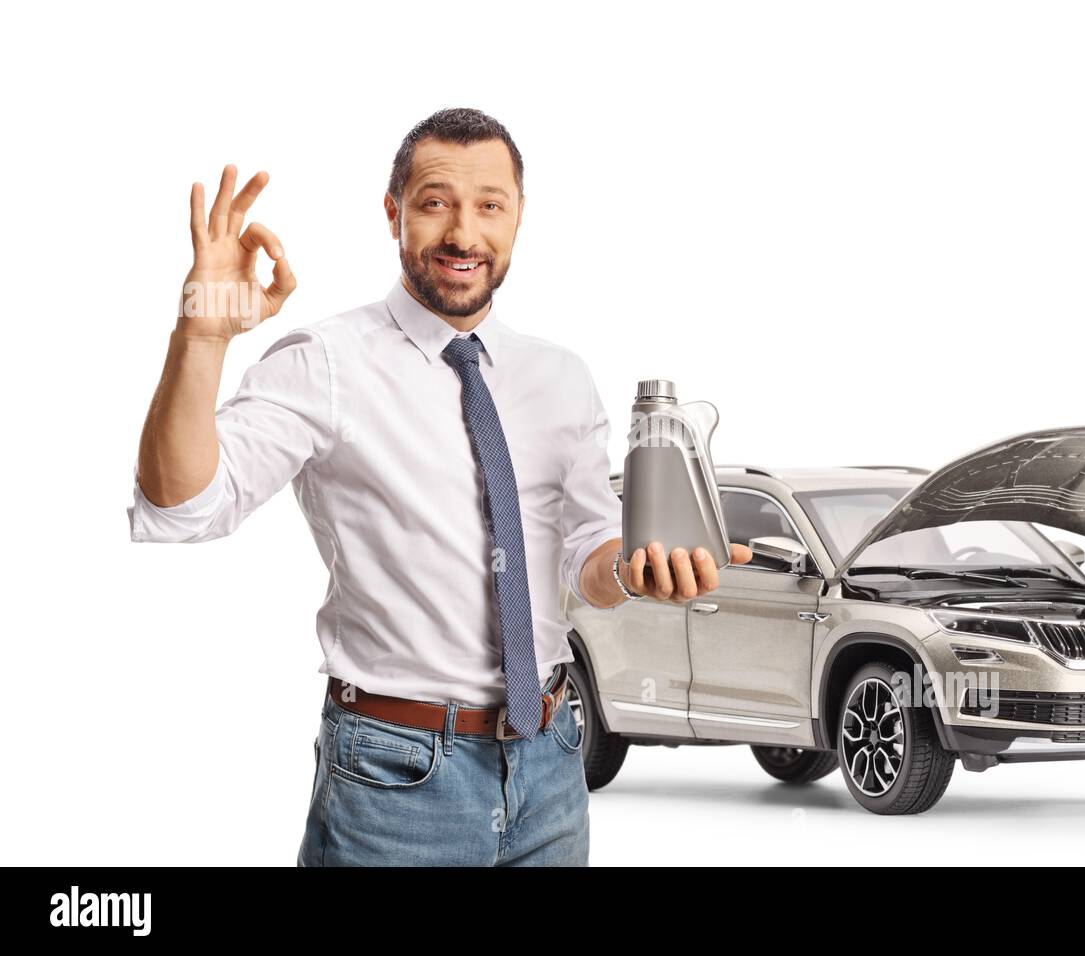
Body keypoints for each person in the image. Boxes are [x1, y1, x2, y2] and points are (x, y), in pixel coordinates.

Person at [127, 107, 751, 866]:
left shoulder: (560, 377)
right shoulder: (326, 362)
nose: (464, 233)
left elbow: (586, 549)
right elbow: (183, 504)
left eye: (490, 205)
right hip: (394, 779)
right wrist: (202, 333)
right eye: (435, 202)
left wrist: (632, 568)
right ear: (393, 213)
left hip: (552, 761)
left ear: (518, 216)